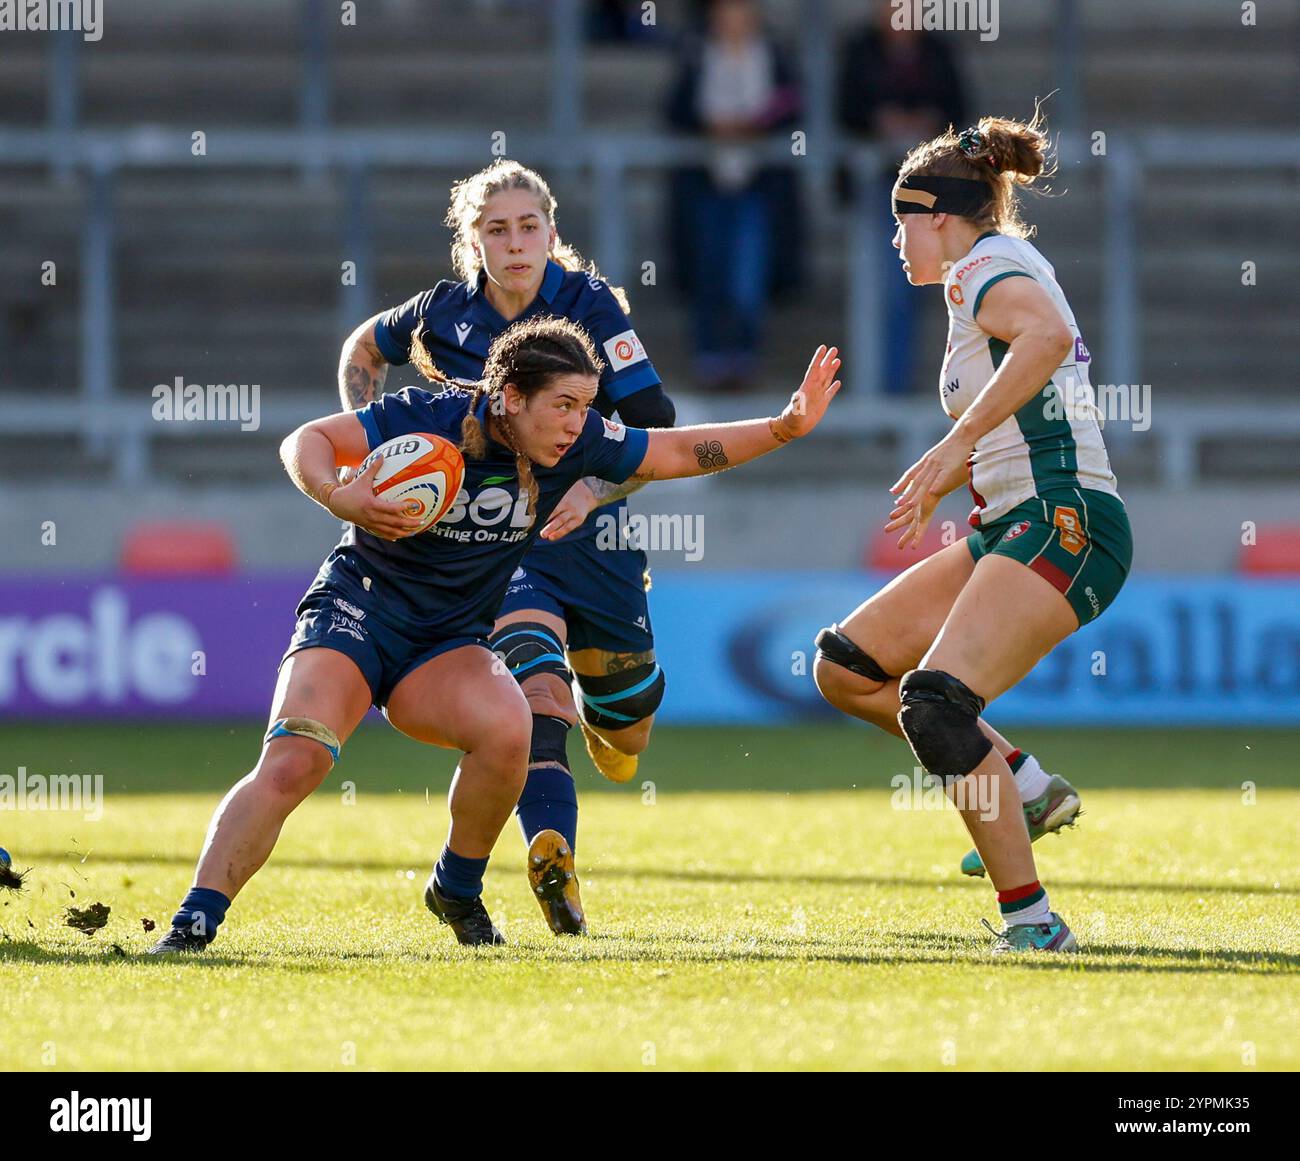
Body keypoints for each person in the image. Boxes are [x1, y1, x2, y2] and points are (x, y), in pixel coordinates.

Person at [149, 318, 841, 952]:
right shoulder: (432, 416)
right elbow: (309, 440)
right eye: (563, 405)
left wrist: (784, 427)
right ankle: (194, 920)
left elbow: (675, 451)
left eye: (585, 406)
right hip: (357, 609)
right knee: (298, 760)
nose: (578, 424)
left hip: (446, 640)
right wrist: (339, 492)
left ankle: (456, 887)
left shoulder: (579, 444)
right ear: (511, 396)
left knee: (511, 726)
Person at [813, 113, 1132, 953]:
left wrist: (952, 446)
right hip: (1018, 519)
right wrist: (947, 472)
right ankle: (1021, 781)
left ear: (942, 217)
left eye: (901, 220)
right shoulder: (991, 269)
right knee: (847, 667)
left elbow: (1048, 336)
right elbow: (1024, 398)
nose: (894, 239)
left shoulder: (982, 268)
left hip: (1066, 520)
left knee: (936, 706)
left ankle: (1032, 921)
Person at [338, 159, 677, 936]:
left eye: (529, 227)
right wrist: (367, 446)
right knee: (535, 691)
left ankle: (610, 718)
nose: (515, 242)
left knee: (627, 729)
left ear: (553, 235)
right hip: (498, 541)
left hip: (595, 538)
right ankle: (554, 853)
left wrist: (596, 488)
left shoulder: (589, 306)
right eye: (496, 229)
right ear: (472, 242)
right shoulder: (445, 313)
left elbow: (654, 416)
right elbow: (365, 346)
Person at [665, 0, 803, 390]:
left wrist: (757, 124)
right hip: (707, 183)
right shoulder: (695, 55)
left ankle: (744, 352)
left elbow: (793, 108)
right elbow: (676, 110)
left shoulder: (773, 55)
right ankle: (708, 352)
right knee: (708, 266)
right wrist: (710, 124)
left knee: (748, 272)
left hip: (757, 186)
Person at [837, 0, 967, 395]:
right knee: (886, 288)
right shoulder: (859, 51)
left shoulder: (938, 53)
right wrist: (880, 124)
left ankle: (902, 387)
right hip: (876, 186)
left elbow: (959, 114)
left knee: (912, 289)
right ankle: (884, 390)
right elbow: (846, 113)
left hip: (930, 193)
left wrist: (929, 127)